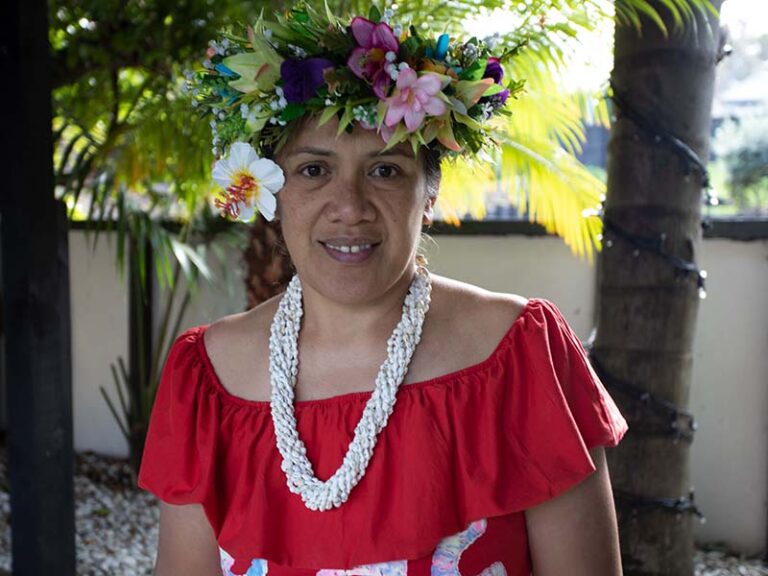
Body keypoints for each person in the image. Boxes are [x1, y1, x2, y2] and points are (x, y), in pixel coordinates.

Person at [138, 6, 628, 576]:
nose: (349, 206)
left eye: (386, 170)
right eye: (314, 170)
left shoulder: (519, 356)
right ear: (274, 191)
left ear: (430, 193)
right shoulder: (208, 377)